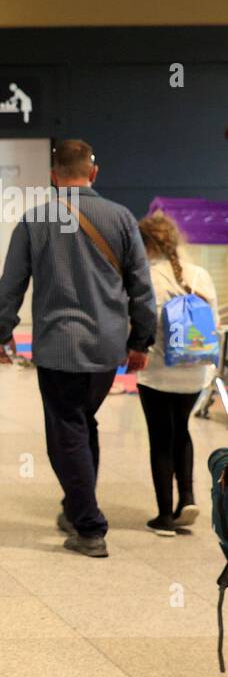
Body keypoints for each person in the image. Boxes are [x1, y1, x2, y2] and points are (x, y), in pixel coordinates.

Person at [0, 139, 156, 558]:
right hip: (106, 348)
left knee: (64, 434)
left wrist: (2, 330)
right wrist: (141, 340)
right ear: (92, 173)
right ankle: (74, 506)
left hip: (60, 347)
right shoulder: (120, 219)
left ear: (52, 175)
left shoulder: (35, 219)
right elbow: (142, 288)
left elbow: (12, 284)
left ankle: (89, 527)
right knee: (83, 424)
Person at [134, 212, 219, 536]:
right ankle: (188, 498)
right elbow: (210, 320)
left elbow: (144, 326)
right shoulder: (199, 275)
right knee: (181, 430)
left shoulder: (149, 277)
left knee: (160, 438)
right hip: (195, 372)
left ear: (146, 244)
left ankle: (164, 516)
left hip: (158, 372)